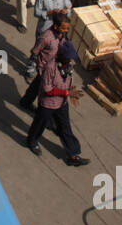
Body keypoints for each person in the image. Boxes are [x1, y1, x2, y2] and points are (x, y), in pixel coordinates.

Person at [23, 11, 89, 164]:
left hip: (62, 102)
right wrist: (66, 92)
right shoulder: (50, 66)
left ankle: (73, 154)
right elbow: (48, 90)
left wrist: (69, 94)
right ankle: (31, 141)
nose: (66, 31)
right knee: (39, 123)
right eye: (64, 29)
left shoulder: (68, 64)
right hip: (48, 102)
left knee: (65, 126)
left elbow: (67, 80)